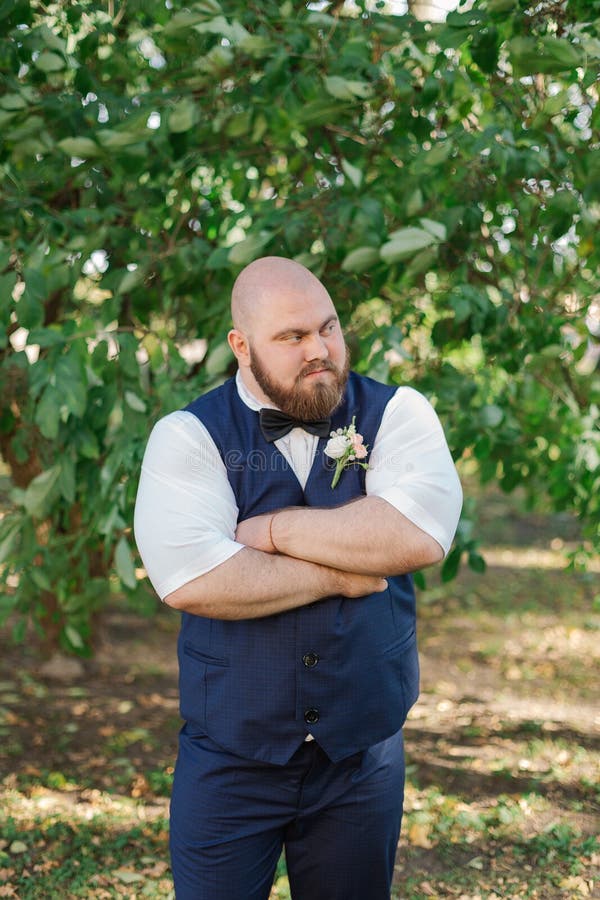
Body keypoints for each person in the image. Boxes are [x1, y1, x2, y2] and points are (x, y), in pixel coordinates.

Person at [134, 256, 462, 900]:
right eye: (292, 337)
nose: (319, 350)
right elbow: (193, 578)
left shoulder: (399, 412)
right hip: (230, 758)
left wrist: (275, 533)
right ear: (241, 345)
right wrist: (344, 574)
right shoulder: (187, 436)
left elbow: (418, 534)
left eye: (328, 328)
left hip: (361, 758)